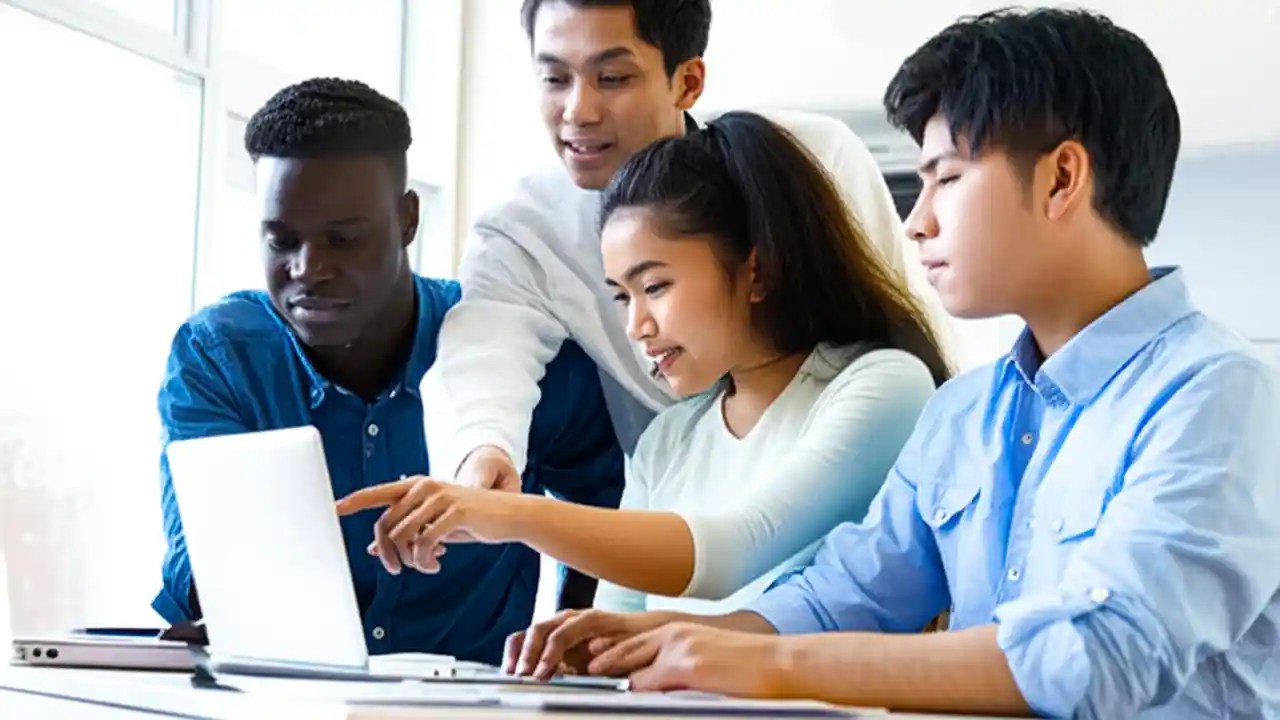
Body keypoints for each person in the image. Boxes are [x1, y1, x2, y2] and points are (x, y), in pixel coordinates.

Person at [495, 8, 1280, 717]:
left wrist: (770, 664)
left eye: (946, 177)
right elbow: (842, 598)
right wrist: (649, 637)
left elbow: (1096, 657)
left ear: (1062, 179)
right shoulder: (967, 412)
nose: (917, 221)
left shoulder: (1215, 395)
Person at [336, 113, 947, 651]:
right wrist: (570, 653)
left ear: (758, 271)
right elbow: (616, 623)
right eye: (622, 296)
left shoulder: (884, 387)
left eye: (655, 287)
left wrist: (507, 514)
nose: (637, 326)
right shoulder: (669, 439)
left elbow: (729, 550)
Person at [151, 78, 624, 666]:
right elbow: (195, 559)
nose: (307, 269)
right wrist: (224, 604)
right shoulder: (220, 356)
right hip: (285, 696)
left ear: (407, 219)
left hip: (471, 707)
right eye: (281, 240)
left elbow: (608, 508)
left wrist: (567, 643)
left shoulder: (509, 345)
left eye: (342, 239)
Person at [417, 0, 953, 504]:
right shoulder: (527, 224)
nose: (577, 112)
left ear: (688, 82)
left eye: (612, 78)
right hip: (670, 509)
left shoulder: (809, 161)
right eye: (554, 78)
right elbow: (483, 350)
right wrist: (483, 451)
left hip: (856, 497)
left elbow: (899, 326)